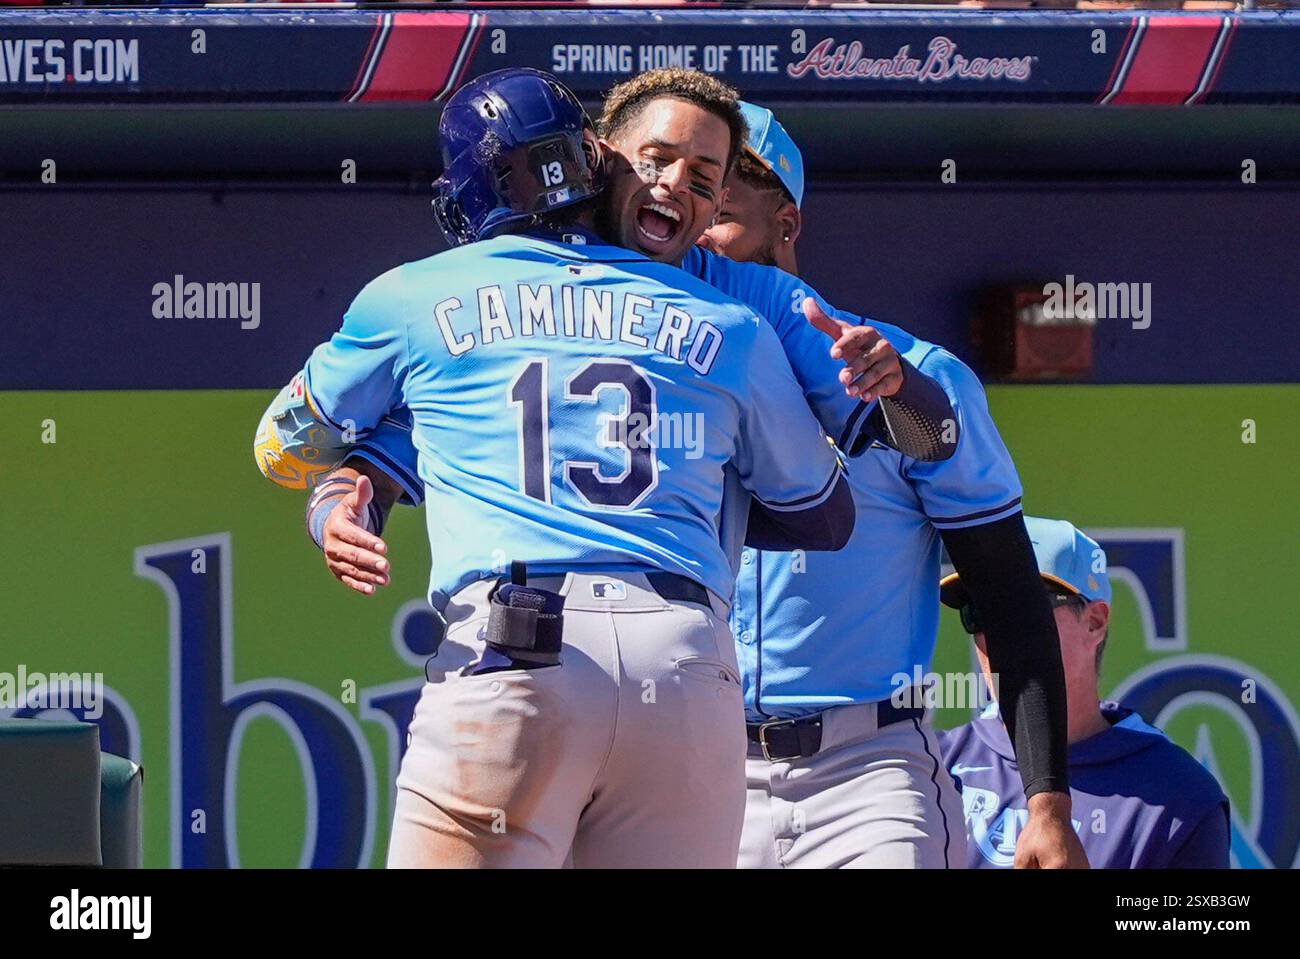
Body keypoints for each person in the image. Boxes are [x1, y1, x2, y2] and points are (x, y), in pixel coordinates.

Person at [255, 68, 855, 868]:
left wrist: (344, 488)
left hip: (515, 653)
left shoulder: (413, 295)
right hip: (684, 665)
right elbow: (825, 512)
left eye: (701, 178)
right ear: (597, 158)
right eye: (659, 160)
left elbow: (282, 445)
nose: (676, 185)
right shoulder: (730, 316)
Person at [697, 102, 1085, 868]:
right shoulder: (652, 379)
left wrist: (1047, 802)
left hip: (865, 768)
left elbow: (1005, 587)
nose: (699, 245)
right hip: (694, 765)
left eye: (723, 219)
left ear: (787, 224)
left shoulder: (911, 375)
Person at [939, 517, 1231, 869]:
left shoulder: (1181, 798)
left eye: (1024, 610)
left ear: (1094, 622)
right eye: (980, 611)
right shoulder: (932, 763)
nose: (995, 634)